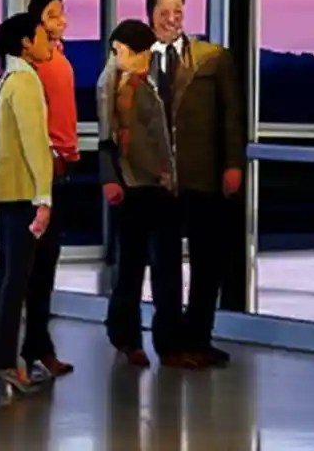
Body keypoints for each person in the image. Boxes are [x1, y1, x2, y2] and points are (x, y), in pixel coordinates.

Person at [145, 0, 246, 368]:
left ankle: (199, 339)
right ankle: (170, 344)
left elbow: (231, 116)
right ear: (151, 13)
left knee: (208, 263)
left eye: (179, 11)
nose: (173, 19)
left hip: (204, 176)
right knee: (163, 264)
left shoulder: (212, 57)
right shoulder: (136, 58)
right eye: (165, 12)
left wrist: (233, 164)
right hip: (157, 182)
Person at [0, 12, 55, 411]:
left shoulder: (8, 79)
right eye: (42, 33)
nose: (49, 38)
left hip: (6, 191)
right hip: (21, 193)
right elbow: (34, 144)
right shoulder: (25, 82)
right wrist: (45, 196)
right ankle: (3, 361)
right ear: (25, 42)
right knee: (14, 280)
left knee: (4, 277)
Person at [98, 19, 184, 368]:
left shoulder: (138, 83)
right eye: (143, 52)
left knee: (158, 266)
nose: (148, 58)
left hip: (152, 186)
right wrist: (163, 173)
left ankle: (159, 339)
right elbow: (117, 140)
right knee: (135, 266)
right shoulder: (120, 87)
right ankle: (129, 336)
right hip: (141, 186)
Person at [22, 0, 77, 382]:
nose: (61, 19)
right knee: (30, 267)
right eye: (53, 14)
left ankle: (38, 347)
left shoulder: (59, 56)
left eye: (62, 12)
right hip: (41, 174)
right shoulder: (31, 65)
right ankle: (25, 351)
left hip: (61, 172)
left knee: (47, 264)